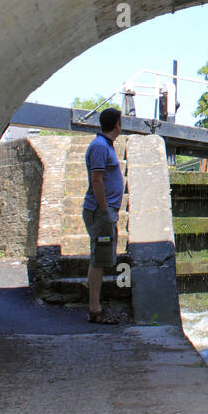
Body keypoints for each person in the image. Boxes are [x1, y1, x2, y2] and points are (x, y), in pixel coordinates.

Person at [82, 107, 124, 324]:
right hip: (100, 213)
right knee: (99, 259)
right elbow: (96, 180)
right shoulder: (100, 146)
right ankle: (94, 310)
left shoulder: (105, 145)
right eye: (121, 121)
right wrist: (105, 210)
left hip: (102, 212)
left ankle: (94, 305)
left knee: (99, 257)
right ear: (117, 124)